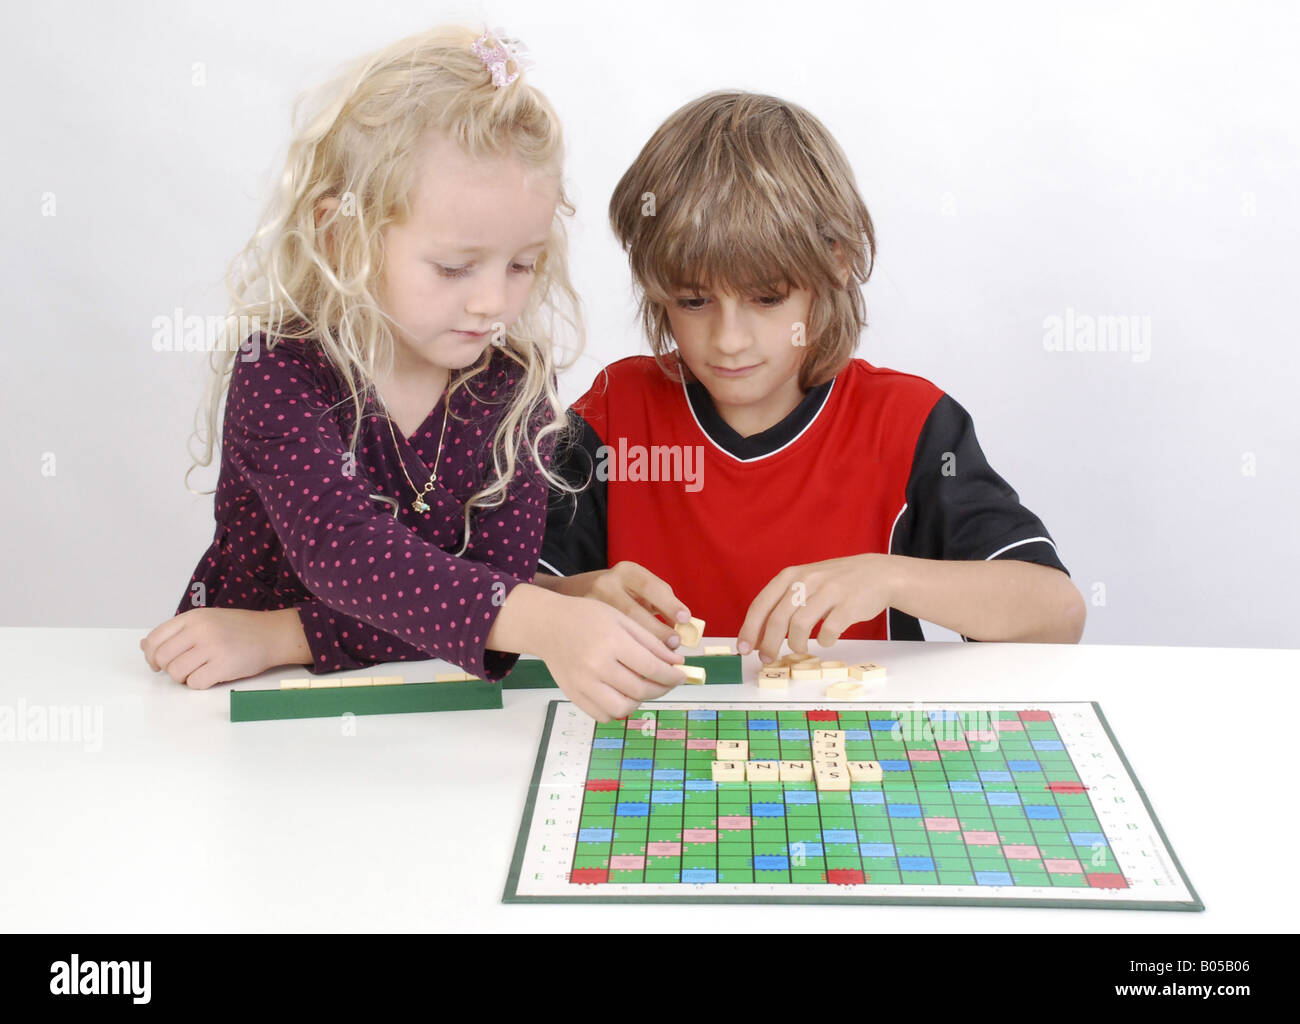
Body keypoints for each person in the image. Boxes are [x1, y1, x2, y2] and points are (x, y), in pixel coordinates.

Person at [139, 25, 685, 722]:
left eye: (522, 264)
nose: (493, 302)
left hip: (425, 701)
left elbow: (490, 588)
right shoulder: (279, 369)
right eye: (455, 268)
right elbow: (349, 553)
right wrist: (543, 616)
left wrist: (560, 601)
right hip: (248, 698)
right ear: (344, 236)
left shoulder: (512, 385)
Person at [532, 91, 1086, 663]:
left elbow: (1058, 614)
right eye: (693, 301)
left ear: (837, 262)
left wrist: (890, 577)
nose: (728, 339)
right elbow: (509, 599)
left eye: (766, 298)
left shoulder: (906, 422)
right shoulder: (616, 412)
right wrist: (573, 598)